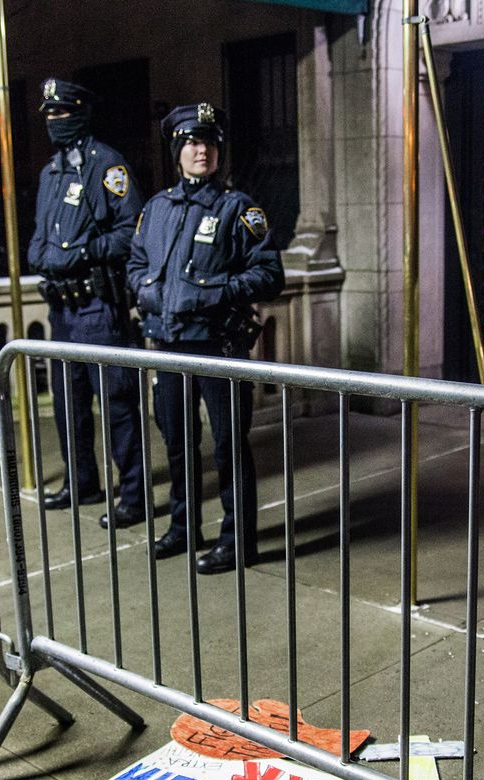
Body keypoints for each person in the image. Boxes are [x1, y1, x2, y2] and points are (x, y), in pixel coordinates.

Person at [128, 103, 284, 575]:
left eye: (210, 143)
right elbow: (135, 265)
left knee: (228, 445)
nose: (202, 150)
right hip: (170, 343)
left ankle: (238, 541)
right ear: (177, 149)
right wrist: (148, 292)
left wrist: (213, 294)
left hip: (218, 345)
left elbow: (270, 274)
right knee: (176, 439)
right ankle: (184, 526)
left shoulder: (239, 209)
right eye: (193, 142)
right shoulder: (156, 209)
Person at [27, 77, 146, 529]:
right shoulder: (51, 172)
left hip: (98, 307)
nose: (55, 122)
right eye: (50, 115)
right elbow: (39, 240)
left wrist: (82, 252)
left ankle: (132, 496)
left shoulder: (107, 165)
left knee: (116, 403)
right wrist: (47, 255)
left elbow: (130, 228)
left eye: (62, 114)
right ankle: (82, 481)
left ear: (80, 114)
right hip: (62, 309)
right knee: (67, 401)